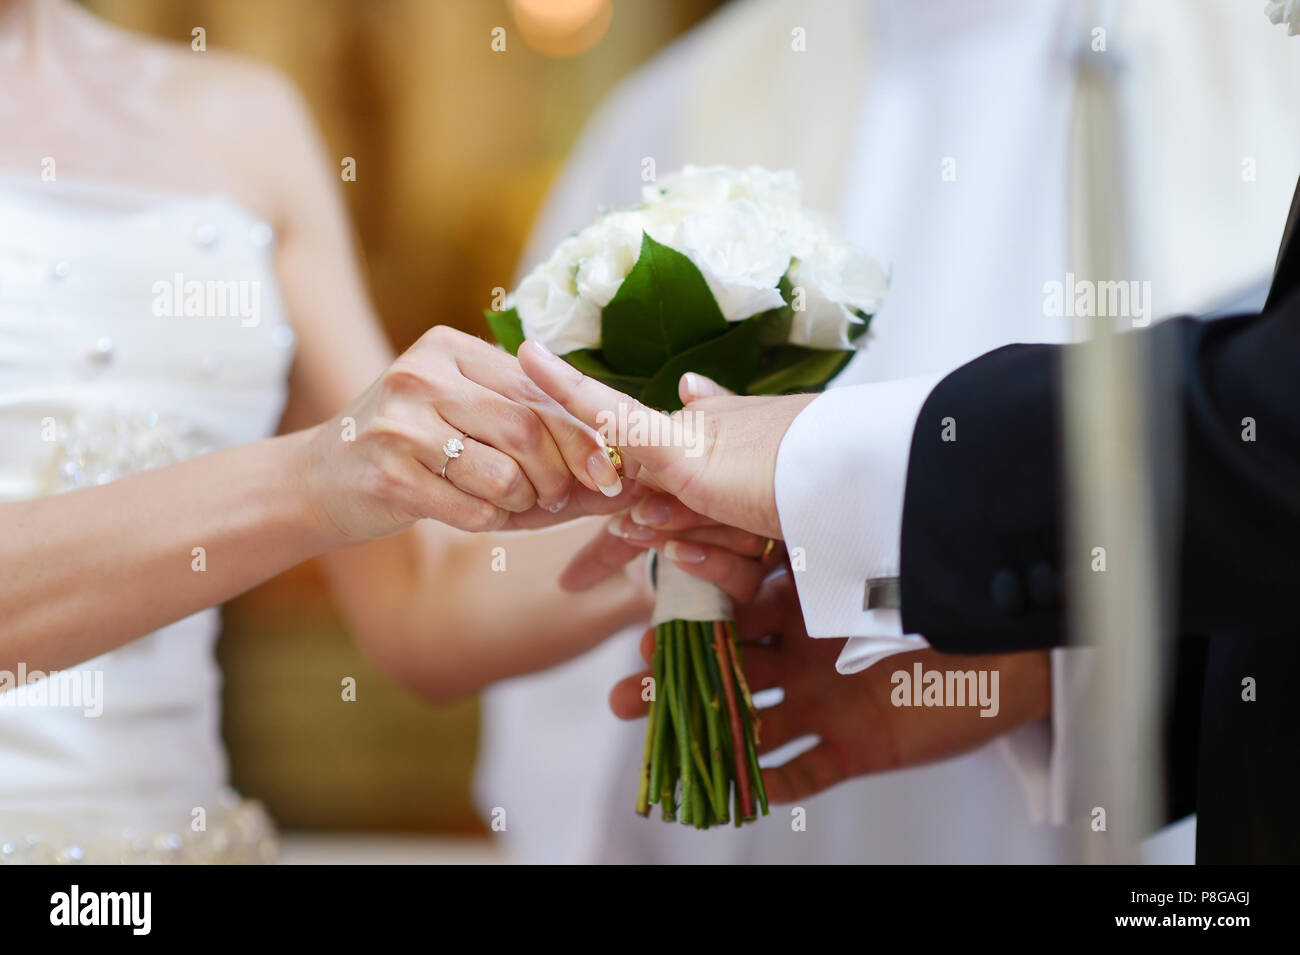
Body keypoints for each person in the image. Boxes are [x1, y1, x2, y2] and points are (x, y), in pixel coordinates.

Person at [476, 0, 1300, 863]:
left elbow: (1262, 465)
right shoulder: (690, 99)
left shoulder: (1257, 64)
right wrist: (1035, 674)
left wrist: (812, 467)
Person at [0, 0, 730, 863]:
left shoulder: (242, 117)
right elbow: (333, 475)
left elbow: (423, 595)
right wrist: (308, 481)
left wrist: (683, 512)